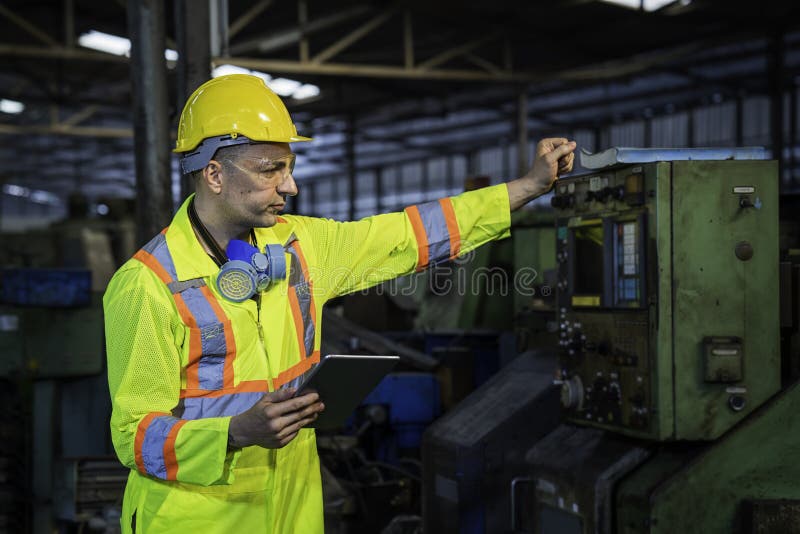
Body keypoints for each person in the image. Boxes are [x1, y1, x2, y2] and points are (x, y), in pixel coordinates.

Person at [103, 73, 576, 533]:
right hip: (197, 519)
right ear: (214, 175)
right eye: (271, 170)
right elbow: (134, 438)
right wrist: (235, 433)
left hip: (293, 505)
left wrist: (528, 187)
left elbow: (409, 234)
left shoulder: (299, 248)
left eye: (289, 167)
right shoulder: (149, 285)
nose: (290, 187)